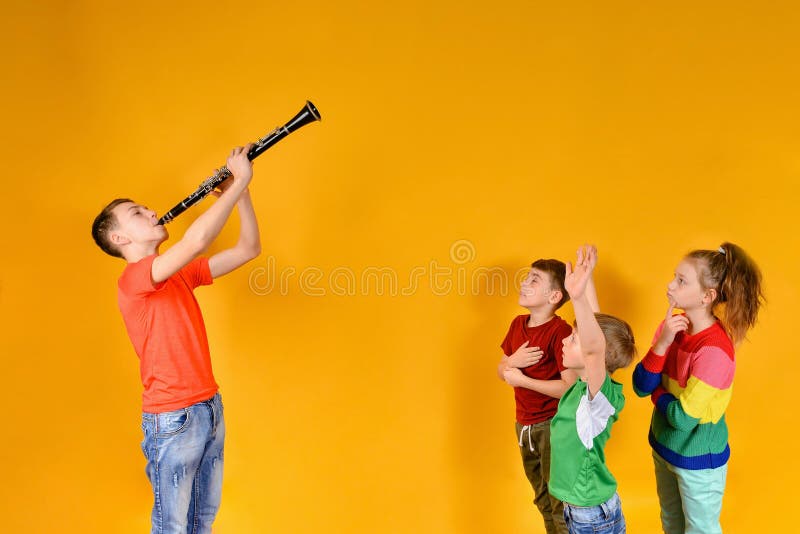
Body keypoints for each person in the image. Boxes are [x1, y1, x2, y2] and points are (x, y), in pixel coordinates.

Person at [91, 145, 261, 533]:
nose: (152, 212)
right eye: (138, 213)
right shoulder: (135, 279)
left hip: (208, 407)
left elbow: (249, 249)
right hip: (172, 418)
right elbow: (196, 241)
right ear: (120, 238)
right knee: (171, 526)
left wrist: (243, 194)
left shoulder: (177, 274)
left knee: (201, 521)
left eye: (147, 207)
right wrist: (240, 182)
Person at [632, 242, 764, 534]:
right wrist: (664, 342)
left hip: (698, 461)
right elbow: (640, 385)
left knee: (700, 530)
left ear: (707, 296)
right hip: (663, 447)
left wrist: (657, 393)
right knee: (670, 521)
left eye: (681, 281)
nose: (670, 284)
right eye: (674, 276)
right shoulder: (671, 327)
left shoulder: (715, 350)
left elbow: (682, 419)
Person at [507, 245, 636, 533]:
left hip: (591, 515)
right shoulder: (580, 388)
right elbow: (595, 328)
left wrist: (575, 296)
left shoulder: (598, 398)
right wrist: (586, 279)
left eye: (574, 339)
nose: (566, 340)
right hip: (581, 510)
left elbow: (593, 346)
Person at [497, 258, 576, 534]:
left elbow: (569, 387)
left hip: (552, 426)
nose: (524, 283)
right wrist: (512, 361)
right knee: (542, 499)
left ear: (554, 296)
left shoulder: (560, 331)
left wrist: (523, 380)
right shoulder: (517, 324)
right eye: (526, 277)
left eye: (534, 280)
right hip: (525, 426)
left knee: (559, 503)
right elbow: (501, 370)